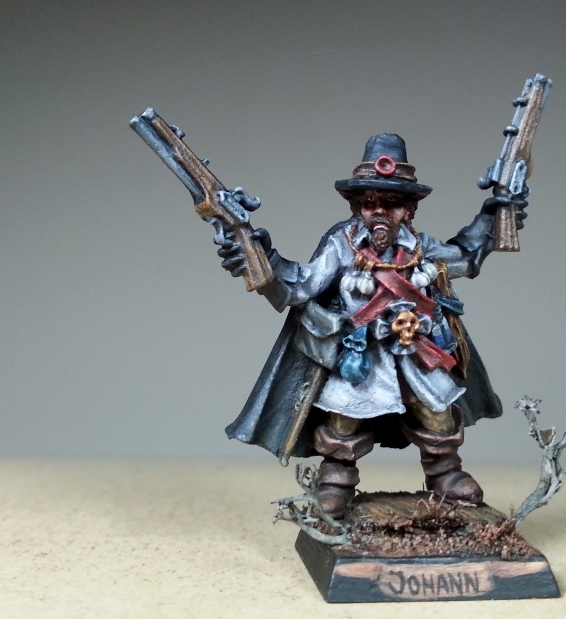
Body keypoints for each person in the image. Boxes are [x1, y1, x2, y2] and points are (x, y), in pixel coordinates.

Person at [220, 134, 527, 515]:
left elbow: (464, 256)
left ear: (409, 209)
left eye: (391, 203)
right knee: (344, 416)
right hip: (362, 351)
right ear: (357, 207)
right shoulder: (341, 243)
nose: (379, 211)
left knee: (437, 413)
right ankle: (336, 479)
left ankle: (445, 473)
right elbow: (302, 285)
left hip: (416, 350)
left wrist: (492, 218)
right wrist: (260, 258)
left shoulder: (420, 246)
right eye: (369, 202)